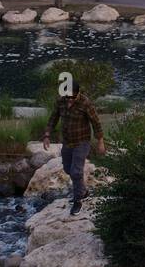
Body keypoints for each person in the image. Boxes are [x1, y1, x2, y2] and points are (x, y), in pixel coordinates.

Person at [42, 81, 105, 215]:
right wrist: (47, 135)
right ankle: (84, 191)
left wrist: (100, 141)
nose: (69, 100)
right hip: (67, 142)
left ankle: (78, 201)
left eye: (72, 97)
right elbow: (53, 118)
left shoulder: (85, 103)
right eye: (67, 97)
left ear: (78, 94)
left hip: (82, 142)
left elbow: (96, 122)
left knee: (76, 172)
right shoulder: (61, 101)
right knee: (67, 168)